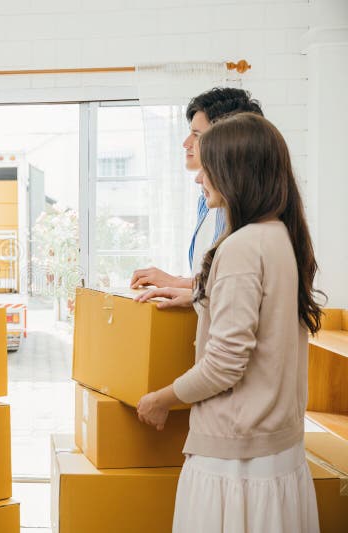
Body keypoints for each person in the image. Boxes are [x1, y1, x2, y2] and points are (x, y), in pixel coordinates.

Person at [134, 113, 323, 531]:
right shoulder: (279, 235)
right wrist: (199, 296)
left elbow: (224, 364)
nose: (199, 178)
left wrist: (160, 399)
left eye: (208, 167)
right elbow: (262, 316)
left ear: (236, 173)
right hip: (277, 448)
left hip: (236, 457)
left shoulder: (240, 247)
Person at [130, 88, 263, 290]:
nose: (186, 144)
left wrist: (175, 283)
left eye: (196, 135)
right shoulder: (206, 201)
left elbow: (232, 289)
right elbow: (212, 283)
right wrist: (179, 285)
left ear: (227, 140)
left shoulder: (251, 217)